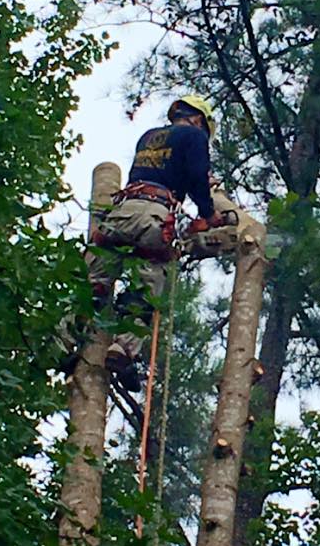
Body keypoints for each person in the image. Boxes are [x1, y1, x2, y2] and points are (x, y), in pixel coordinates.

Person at [89, 95, 226, 379]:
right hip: (153, 216)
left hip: (121, 213)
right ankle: (124, 347)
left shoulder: (149, 137)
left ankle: (63, 343)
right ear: (200, 120)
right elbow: (196, 175)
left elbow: (165, 172)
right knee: (149, 279)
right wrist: (209, 213)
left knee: (93, 286)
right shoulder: (194, 136)